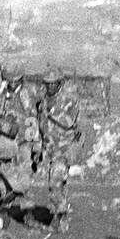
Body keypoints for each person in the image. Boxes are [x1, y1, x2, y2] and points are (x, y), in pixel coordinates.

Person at [39, 69, 81, 229]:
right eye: (47, 84)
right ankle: (61, 213)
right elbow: (40, 124)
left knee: (55, 182)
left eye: (53, 84)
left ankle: (59, 216)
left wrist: (51, 113)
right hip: (49, 148)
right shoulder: (43, 101)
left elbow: (70, 122)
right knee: (58, 183)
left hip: (64, 149)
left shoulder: (69, 100)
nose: (49, 87)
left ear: (60, 83)